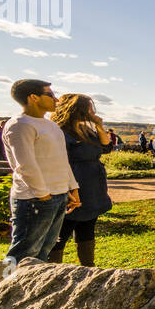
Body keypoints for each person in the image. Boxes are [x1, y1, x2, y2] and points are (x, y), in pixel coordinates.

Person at [2, 79, 80, 264]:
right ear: (34, 97)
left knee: (44, 249)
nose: (57, 99)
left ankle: (31, 288)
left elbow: (62, 159)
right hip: (34, 198)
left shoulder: (51, 125)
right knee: (23, 251)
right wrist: (42, 194)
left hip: (58, 194)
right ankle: (7, 286)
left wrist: (71, 187)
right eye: (50, 95)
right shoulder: (20, 125)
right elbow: (25, 165)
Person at [47, 94, 113, 267]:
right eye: (89, 107)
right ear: (78, 109)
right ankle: (52, 269)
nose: (92, 111)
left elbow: (106, 147)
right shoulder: (60, 132)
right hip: (73, 181)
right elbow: (59, 162)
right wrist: (69, 188)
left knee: (87, 225)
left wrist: (99, 126)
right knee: (64, 227)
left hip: (93, 184)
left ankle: (88, 267)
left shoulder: (86, 129)